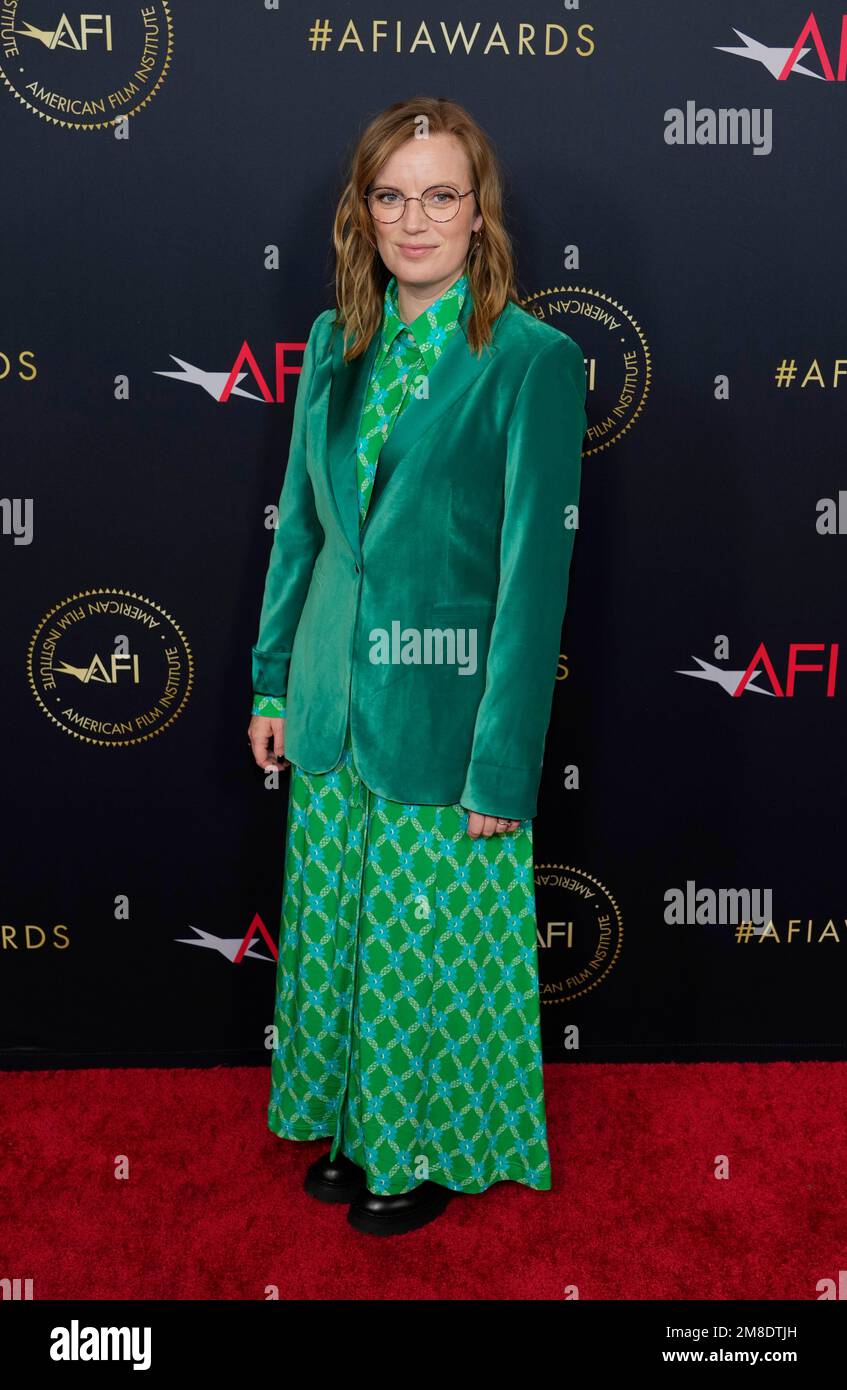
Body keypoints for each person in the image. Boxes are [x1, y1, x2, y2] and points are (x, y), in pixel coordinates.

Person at [247, 95, 587, 1237]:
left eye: (440, 193)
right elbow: (302, 526)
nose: (415, 217)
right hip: (333, 704)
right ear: (364, 211)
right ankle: (352, 1125)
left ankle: (422, 1145)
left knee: (422, 953)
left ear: (480, 212)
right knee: (342, 935)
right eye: (391, 194)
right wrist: (270, 680)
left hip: (447, 721)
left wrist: (503, 769)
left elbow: (534, 579)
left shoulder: (531, 361)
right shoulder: (337, 344)